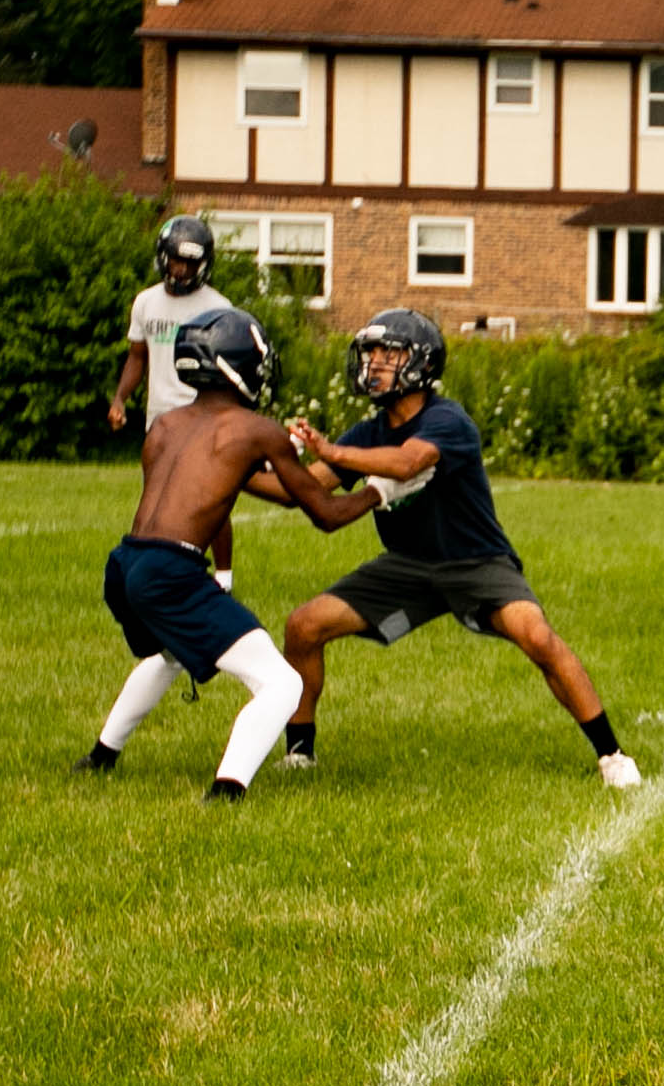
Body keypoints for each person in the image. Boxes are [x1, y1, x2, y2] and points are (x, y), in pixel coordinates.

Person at [264, 306, 642, 790]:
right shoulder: (369, 431)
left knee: (538, 638)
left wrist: (333, 451)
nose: (374, 362)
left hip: (476, 561)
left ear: (421, 364)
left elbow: (408, 462)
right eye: (371, 352)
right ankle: (300, 754)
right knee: (304, 625)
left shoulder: (448, 419)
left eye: (388, 353)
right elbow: (300, 491)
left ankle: (611, 754)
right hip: (408, 566)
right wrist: (233, 466)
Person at [84, 308, 366, 800]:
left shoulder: (167, 425)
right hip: (169, 571)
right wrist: (381, 490)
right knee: (282, 684)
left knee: (169, 654)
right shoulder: (255, 429)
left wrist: (279, 459)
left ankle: (101, 756)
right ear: (238, 365)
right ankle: (227, 791)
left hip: (126, 564)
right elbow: (325, 514)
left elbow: (211, 496)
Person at [111, 214, 243, 590]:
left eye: (189, 262)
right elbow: (138, 357)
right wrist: (120, 398)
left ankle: (223, 575)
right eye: (176, 260)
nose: (181, 269)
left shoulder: (219, 306)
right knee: (157, 494)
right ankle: (153, 565)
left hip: (203, 413)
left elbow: (230, 366)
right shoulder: (146, 303)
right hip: (161, 416)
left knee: (211, 494)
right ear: (163, 258)